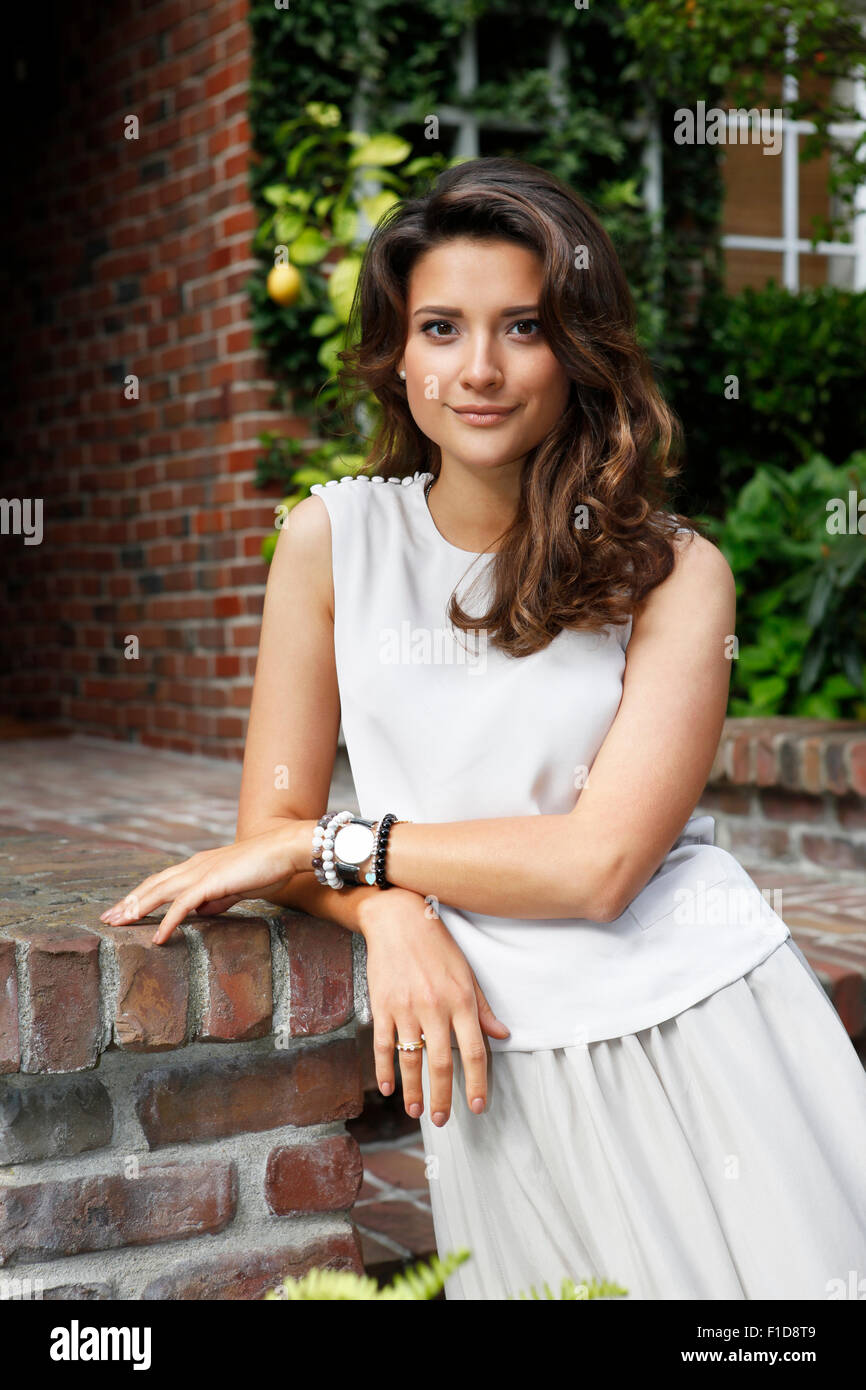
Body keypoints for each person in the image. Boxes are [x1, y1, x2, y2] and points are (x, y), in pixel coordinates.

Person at [102, 157, 866, 1301]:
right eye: (441, 327)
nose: (479, 370)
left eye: (522, 326)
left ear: (578, 348)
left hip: (697, 1022)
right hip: (493, 1048)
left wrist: (346, 849)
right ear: (397, 353)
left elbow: (599, 867)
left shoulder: (673, 571)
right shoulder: (330, 540)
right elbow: (275, 819)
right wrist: (391, 913)